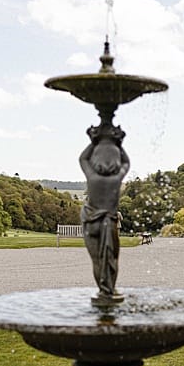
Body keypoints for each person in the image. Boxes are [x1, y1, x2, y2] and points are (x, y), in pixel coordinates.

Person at [78, 123, 129, 303]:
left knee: (97, 260)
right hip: (109, 222)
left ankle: (102, 292)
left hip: (91, 221)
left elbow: (83, 159)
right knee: (111, 259)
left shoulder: (92, 177)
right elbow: (126, 163)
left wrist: (93, 142)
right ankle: (110, 290)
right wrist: (119, 144)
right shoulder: (116, 178)